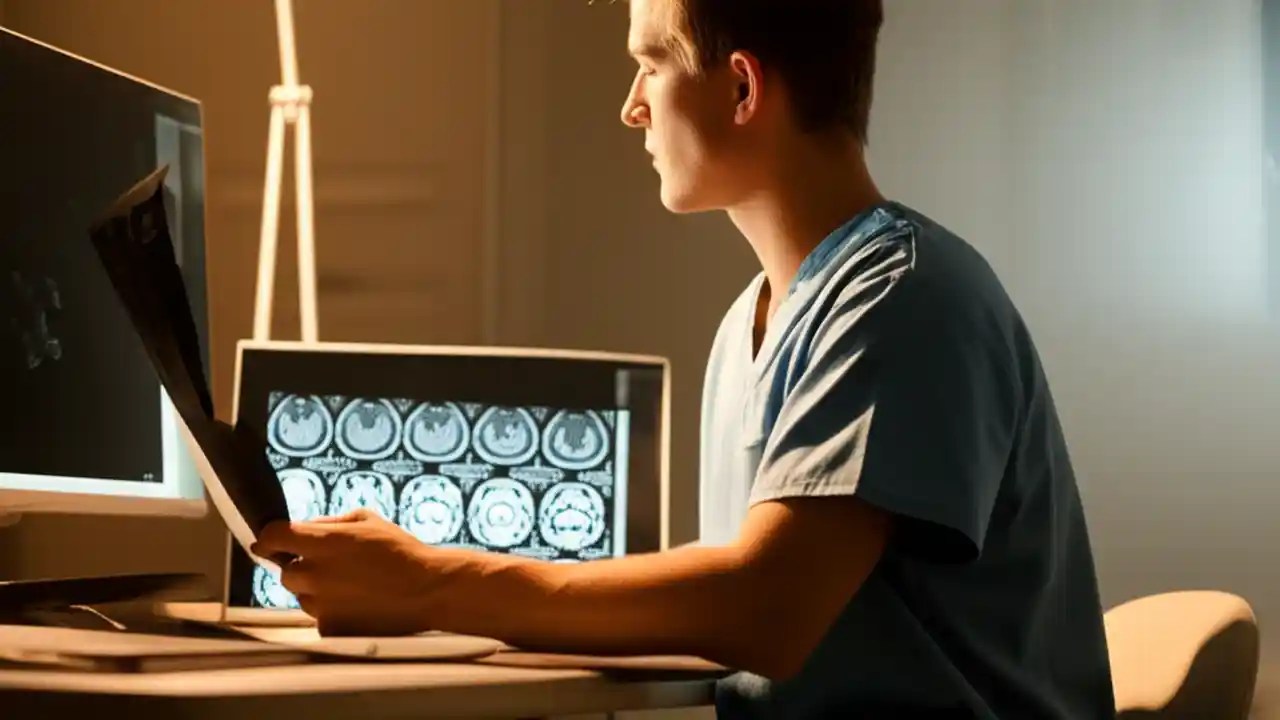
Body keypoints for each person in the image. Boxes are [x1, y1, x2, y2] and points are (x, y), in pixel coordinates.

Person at [253, 0, 1117, 716]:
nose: (632, 106)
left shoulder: (906, 298)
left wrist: (433, 582)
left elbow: (765, 609)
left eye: (652, 64)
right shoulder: (753, 321)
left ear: (740, 87)